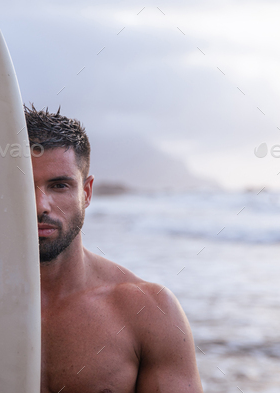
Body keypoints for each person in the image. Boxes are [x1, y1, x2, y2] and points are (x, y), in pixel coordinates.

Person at [25, 104, 203, 393]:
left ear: (87, 192)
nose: (40, 206)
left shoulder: (149, 312)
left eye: (59, 186)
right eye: (23, 186)